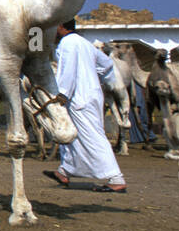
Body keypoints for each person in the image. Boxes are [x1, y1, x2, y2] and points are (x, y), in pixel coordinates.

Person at [45, 19, 126, 192]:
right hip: (92, 93)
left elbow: (68, 70)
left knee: (92, 136)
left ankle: (116, 178)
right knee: (74, 135)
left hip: (79, 97)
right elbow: (107, 64)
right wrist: (93, 75)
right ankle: (65, 171)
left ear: (60, 26)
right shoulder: (85, 43)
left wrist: (62, 94)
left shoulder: (68, 43)